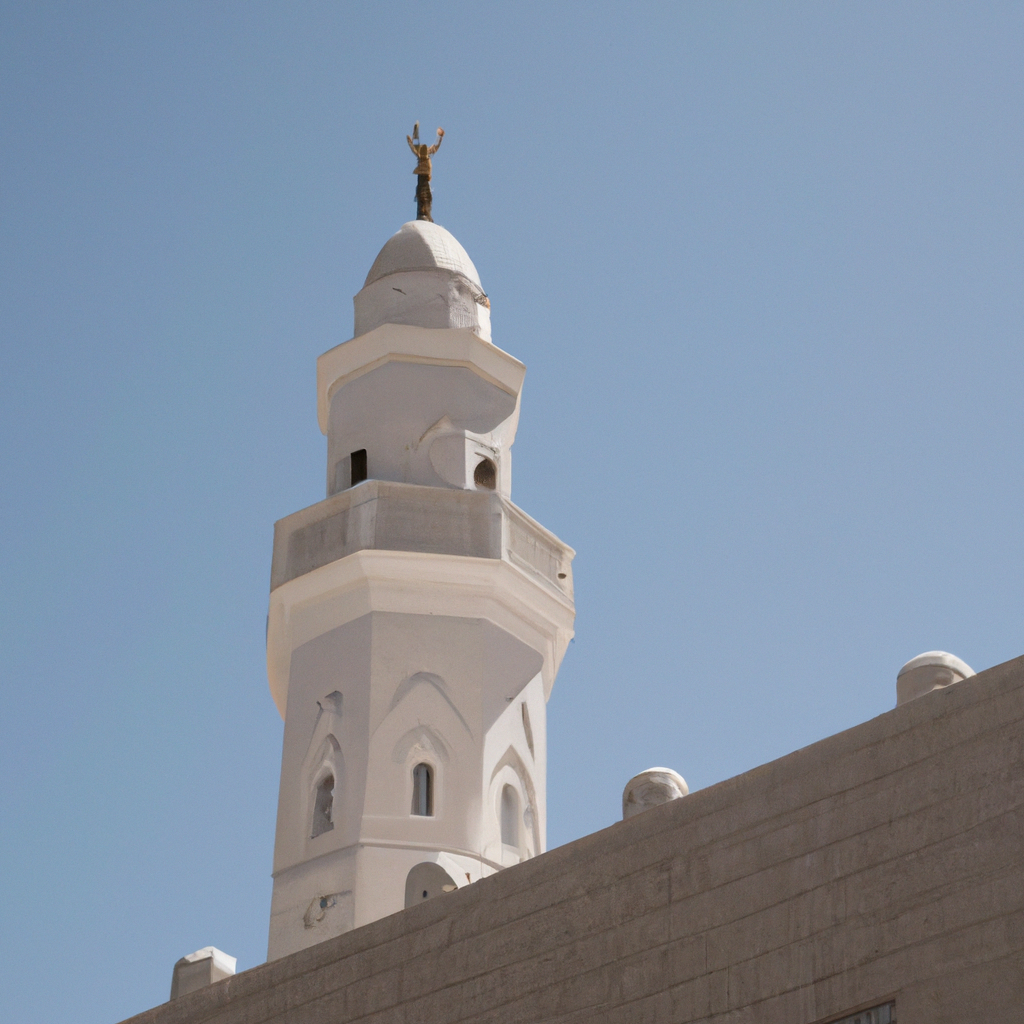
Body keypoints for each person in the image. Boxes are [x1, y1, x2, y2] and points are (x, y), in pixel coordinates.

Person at [407, 122, 444, 222]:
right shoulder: (420, 154)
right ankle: (422, 212)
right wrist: (415, 131)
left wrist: (439, 137)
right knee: (421, 193)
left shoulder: (427, 152)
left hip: (425, 175)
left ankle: (426, 213)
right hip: (422, 175)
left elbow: (434, 146)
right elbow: (414, 144)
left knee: (425, 194)